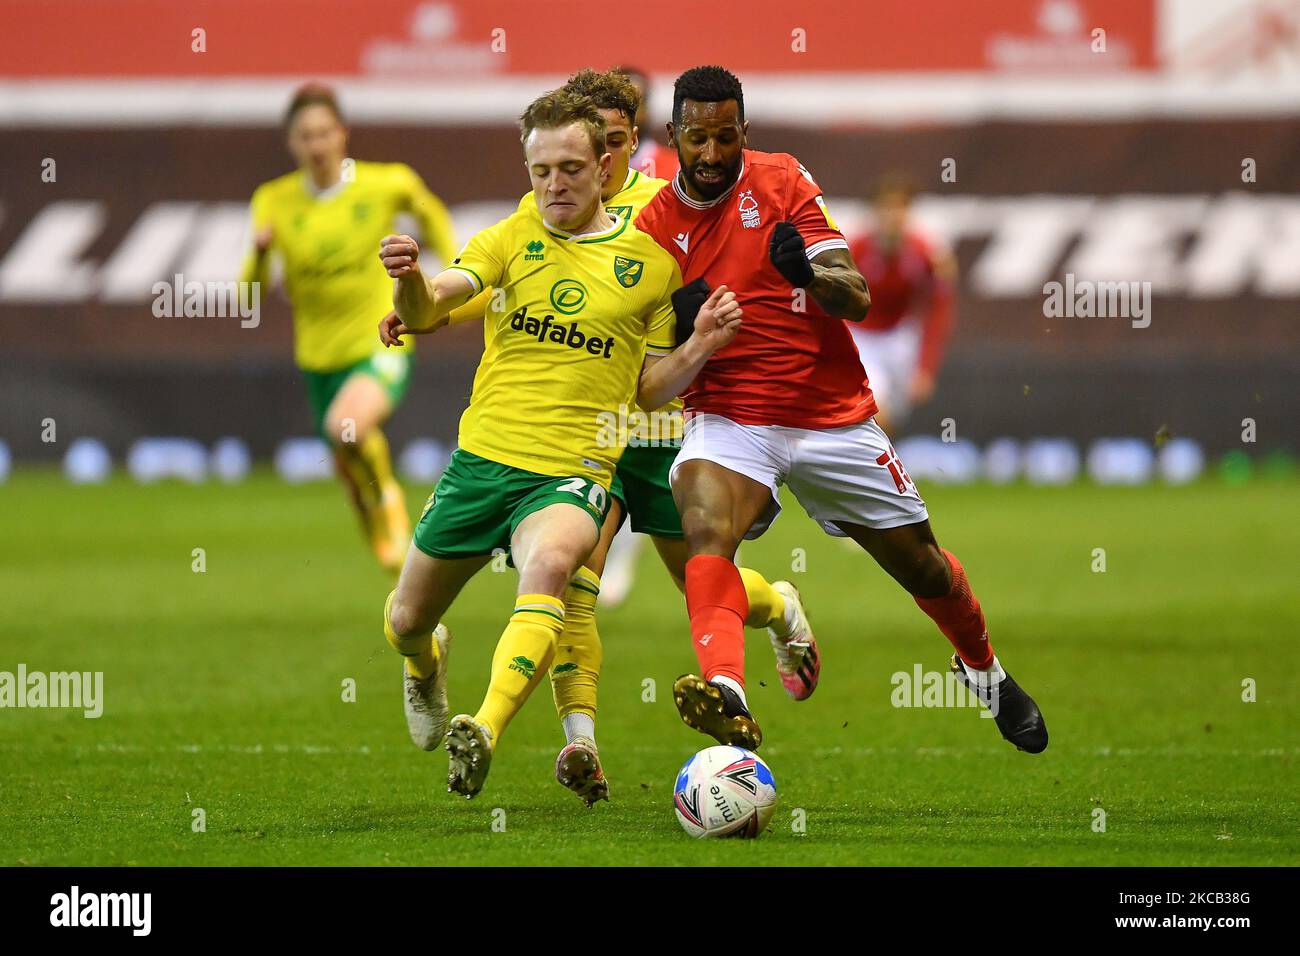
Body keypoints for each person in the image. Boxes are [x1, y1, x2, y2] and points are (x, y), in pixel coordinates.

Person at [635, 66, 1048, 754]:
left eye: (726, 137)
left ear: (745, 132)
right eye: (698, 138)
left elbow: (854, 296)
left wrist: (808, 276)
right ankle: (729, 696)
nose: (712, 155)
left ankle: (985, 671)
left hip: (830, 414)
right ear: (675, 135)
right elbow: (646, 385)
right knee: (704, 524)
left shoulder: (783, 181)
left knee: (924, 568)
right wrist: (683, 338)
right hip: (731, 417)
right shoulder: (649, 229)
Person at [440, 69, 807, 807]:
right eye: (588, 148)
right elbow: (496, 280)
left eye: (610, 144)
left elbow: (717, 306)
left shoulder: (670, 209)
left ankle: (781, 608)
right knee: (574, 582)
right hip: (585, 440)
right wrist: (421, 311)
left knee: (696, 583)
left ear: (632, 142)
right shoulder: (550, 209)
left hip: (662, 431)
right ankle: (582, 743)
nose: (597, 162)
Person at [376, 89, 744, 799]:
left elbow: (645, 388)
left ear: (606, 161)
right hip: (480, 465)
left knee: (550, 565)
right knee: (404, 619)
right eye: (540, 170)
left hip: (572, 473)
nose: (554, 184)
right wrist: (410, 283)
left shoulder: (652, 261)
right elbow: (433, 304)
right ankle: (424, 664)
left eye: (570, 167)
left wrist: (699, 346)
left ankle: (482, 728)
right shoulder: (511, 236)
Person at [240, 83, 457, 572]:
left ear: (342, 134)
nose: (316, 145)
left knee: (349, 426)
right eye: (304, 136)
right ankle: (373, 509)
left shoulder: (387, 183)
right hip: (318, 355)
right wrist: (257, 252)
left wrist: (454, 270)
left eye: (323, 133)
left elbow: (432, 213)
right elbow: (249, 295)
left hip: (377, 339)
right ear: (290, 143)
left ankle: (391, 502)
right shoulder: (273, 201)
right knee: (345, 453)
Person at [846, 174, 957, 433]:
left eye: (899, 207)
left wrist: (926, 367)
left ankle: (885, 465)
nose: (892, 216)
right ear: (874, 212)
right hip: (862, 337)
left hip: (901, 338)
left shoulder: (926, 253)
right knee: (874, 408)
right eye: (886, 207)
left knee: (892, 419)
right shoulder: (856, 249)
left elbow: (939, 308)